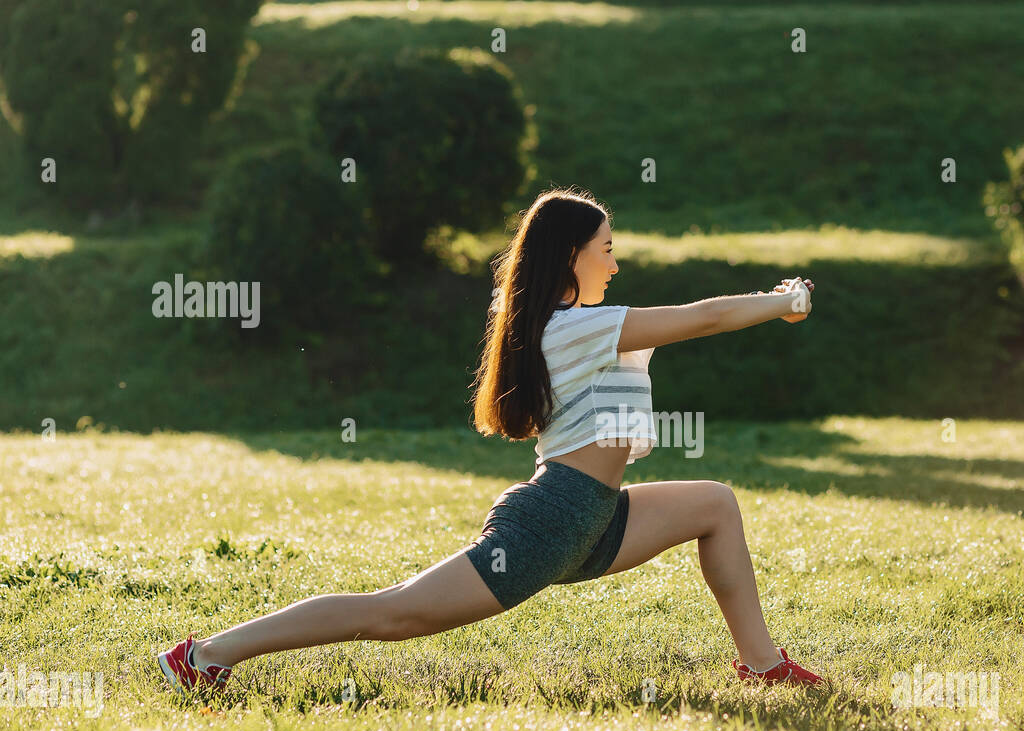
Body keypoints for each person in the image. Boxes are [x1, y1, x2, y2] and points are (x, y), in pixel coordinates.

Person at [157, 187, 824, 692]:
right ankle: (206, 655)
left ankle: (764, 666)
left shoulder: (580, 326)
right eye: (608, 249)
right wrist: (783, 301)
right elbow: (701, 318)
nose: (615, 265)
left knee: (715, 505)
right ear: (572, 255)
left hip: (596, 518)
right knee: (396, 615)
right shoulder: (573, 327)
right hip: (556, 518)